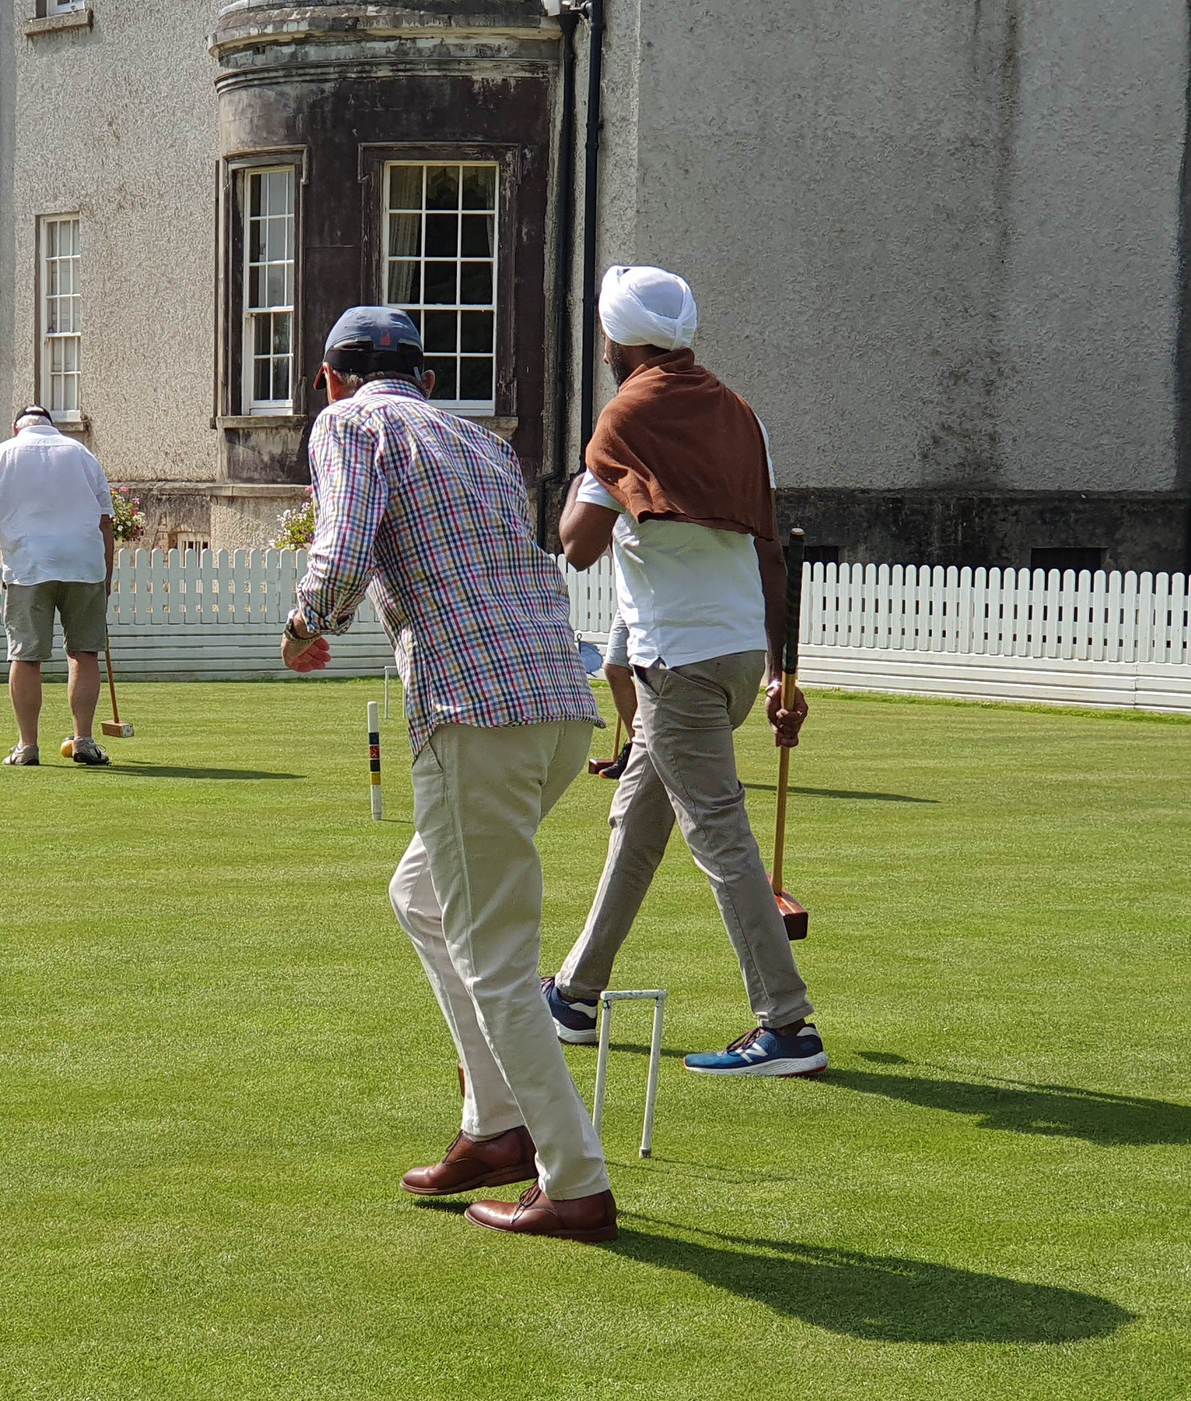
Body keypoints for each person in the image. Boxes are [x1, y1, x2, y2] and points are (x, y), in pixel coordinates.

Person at [282, 306, 617, 1243]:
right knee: (419, 893)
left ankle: (576, 1182)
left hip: (473, 712)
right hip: (554, 703)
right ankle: (495, 1127)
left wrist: (307, 627)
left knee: (497, 965)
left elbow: (342, 550)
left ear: (329, 378)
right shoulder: (481, 443)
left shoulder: (348, 425)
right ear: (426, 380)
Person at [541, 265, 824, 1078]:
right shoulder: (741, 414)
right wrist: (779, 670)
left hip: (681, 664)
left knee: (722, 841)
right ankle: (574, 996)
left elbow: (577, 545)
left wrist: (585, 477)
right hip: (732, 654)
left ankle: (788, 1026)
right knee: (638, 823)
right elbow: (767, 548)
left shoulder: (625, 416)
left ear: (618, 339)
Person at [0, 403, 116, 767]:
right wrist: (106, 576)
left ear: (17, 429)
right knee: (84, 653)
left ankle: (27, 747)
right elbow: (106, 521)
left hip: (29, 565)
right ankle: (84, 740)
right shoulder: (82, 454)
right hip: (84, 563)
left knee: (26, 655)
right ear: (53, 428)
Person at [597, 611, 637, 779]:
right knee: (614, 668)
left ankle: (647, 752)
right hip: (630, 605)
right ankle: (637, 749)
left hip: (669, 603)